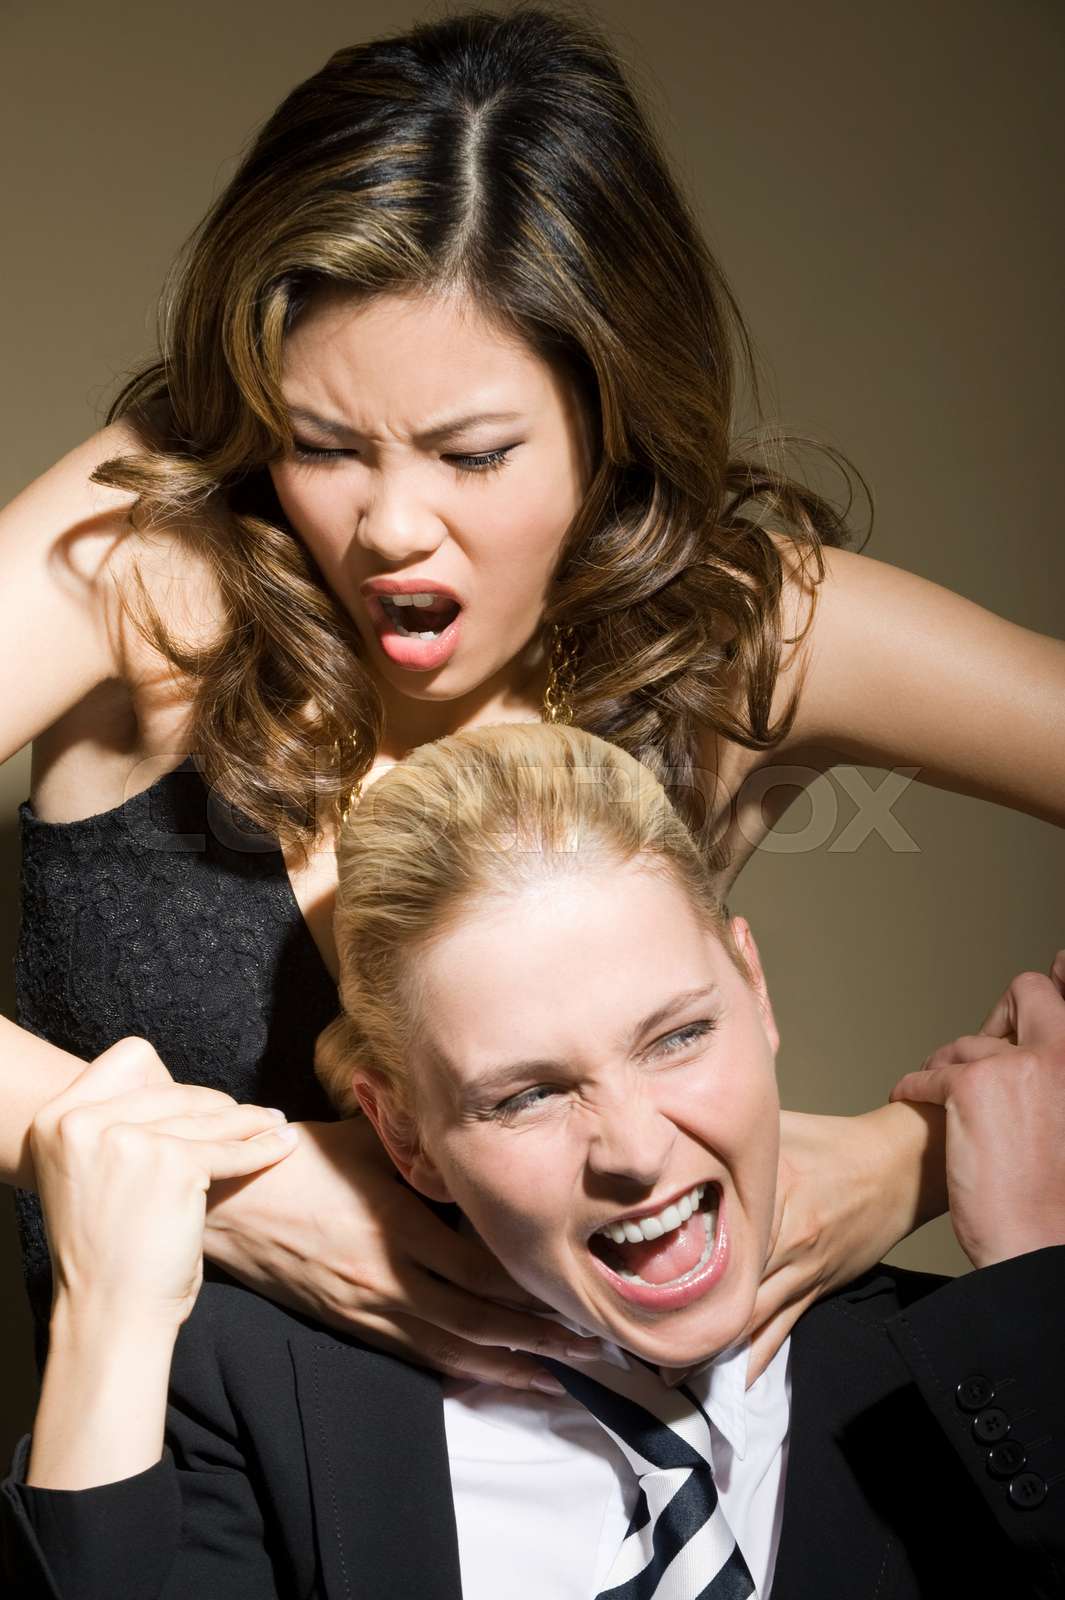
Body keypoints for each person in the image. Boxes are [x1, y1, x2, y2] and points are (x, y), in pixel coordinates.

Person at [3, 5, 1064, 1394]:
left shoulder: (733, 626)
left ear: (609, 420)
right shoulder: (150, 556)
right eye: (322, 444)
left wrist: (905, 1157)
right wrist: (221, 1184)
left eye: (473, 453)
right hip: (176, 1518)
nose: (390, 525)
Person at [3, 725, 1062, 1599]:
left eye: (679, 1036)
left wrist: (1038, 1269)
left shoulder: (972, 1373)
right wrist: (106, 1320)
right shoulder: (248, 1396)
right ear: (406, 1134)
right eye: (528, 1095)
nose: (638, 1152)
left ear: (754, 987)